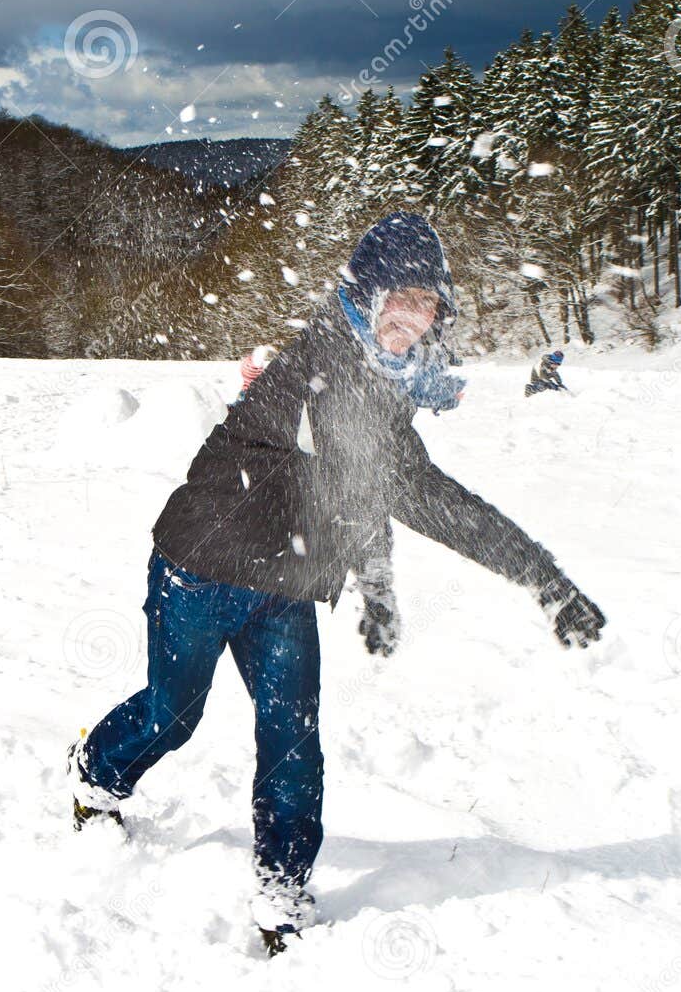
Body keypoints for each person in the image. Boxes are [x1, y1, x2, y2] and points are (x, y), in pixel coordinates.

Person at [68, 213, 606, 954]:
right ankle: (97, 773)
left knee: (293, 739)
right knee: (174, 712)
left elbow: (360, 492)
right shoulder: (326, 361)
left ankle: (282, 886)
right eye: (398, 298)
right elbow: (414, 493)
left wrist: (385, 589)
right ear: (363, 294)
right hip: (199, 565)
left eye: (427, 304)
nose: (411, 318)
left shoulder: (380, 385)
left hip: (285, 583)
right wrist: (540, 578)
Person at [240, 343, 401, 656]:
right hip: (294, 481)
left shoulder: (338, 374)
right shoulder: (283, 383)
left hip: (331, 468)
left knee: (358, 514)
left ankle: (375, 591)